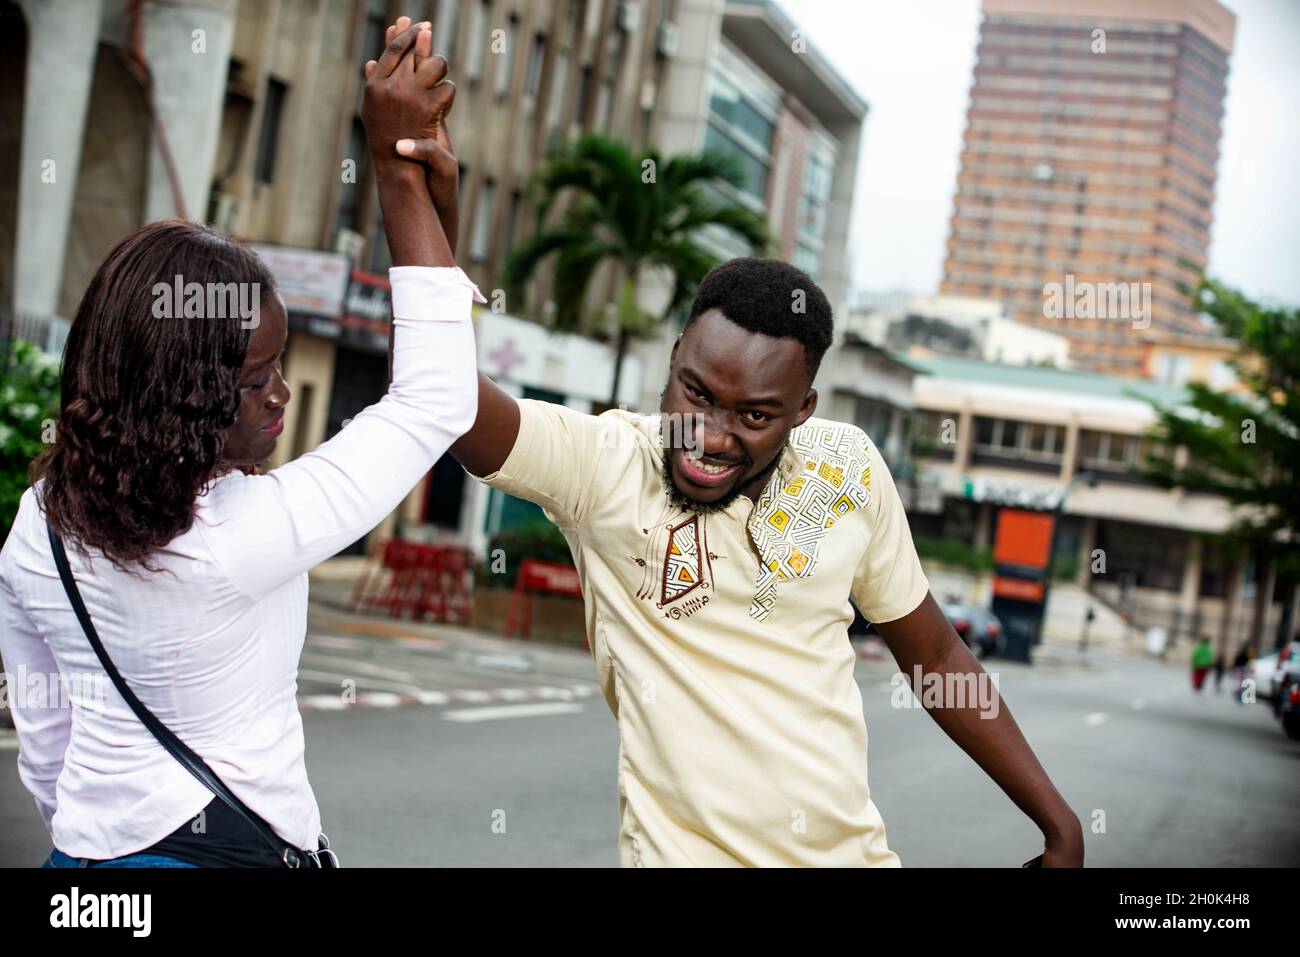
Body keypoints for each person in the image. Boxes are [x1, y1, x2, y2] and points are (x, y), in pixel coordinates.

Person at [386, 18, 1083, 866]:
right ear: (675, 358)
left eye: (754, 415)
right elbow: (449, 395)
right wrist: (406, 178)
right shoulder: (607, 467)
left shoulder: (848, 468)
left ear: (803, 409)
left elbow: (933, 651)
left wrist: (1057, 821)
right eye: (697, 393)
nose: (709, 438)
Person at [0, 21, 480, 867]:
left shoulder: (40, 520)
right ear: (182, 396)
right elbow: (434, 400)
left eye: (281, 363)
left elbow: (45, 742)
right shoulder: (241, 536)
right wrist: (395, 169)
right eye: (255, 376)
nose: (282, 393)